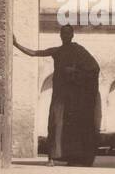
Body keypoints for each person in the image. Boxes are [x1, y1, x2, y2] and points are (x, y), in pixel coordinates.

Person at [13, 25, 101, 166]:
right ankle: (51, 157)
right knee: (55, 122)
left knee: (73, 126)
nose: (65, 36)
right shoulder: (57, 51)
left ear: (72, 35)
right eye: (63, 33)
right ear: (60, 35)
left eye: (68, 33)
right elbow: (35, 53)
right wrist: (16, 44)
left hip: (74, 96)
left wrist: (75, 70)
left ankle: (74, 158)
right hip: (60, 93)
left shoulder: (79, 51)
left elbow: (94, 68)